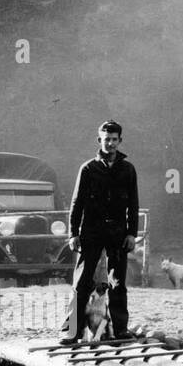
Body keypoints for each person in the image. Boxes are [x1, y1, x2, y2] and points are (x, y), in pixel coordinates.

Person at [62, 120, 139, 343]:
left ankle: (121, 330)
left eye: (114, 139)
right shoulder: (88, 169)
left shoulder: (128, 169)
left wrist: (131, 233)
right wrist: (73, 233)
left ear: (120, 141)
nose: (111, 143)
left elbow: (133, 204)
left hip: (118, 233)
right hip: (91, 232)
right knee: (81, 282)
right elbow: (76, 203)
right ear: (100, 140)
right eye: (107, 139)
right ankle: (71, 332)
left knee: (118, 283)